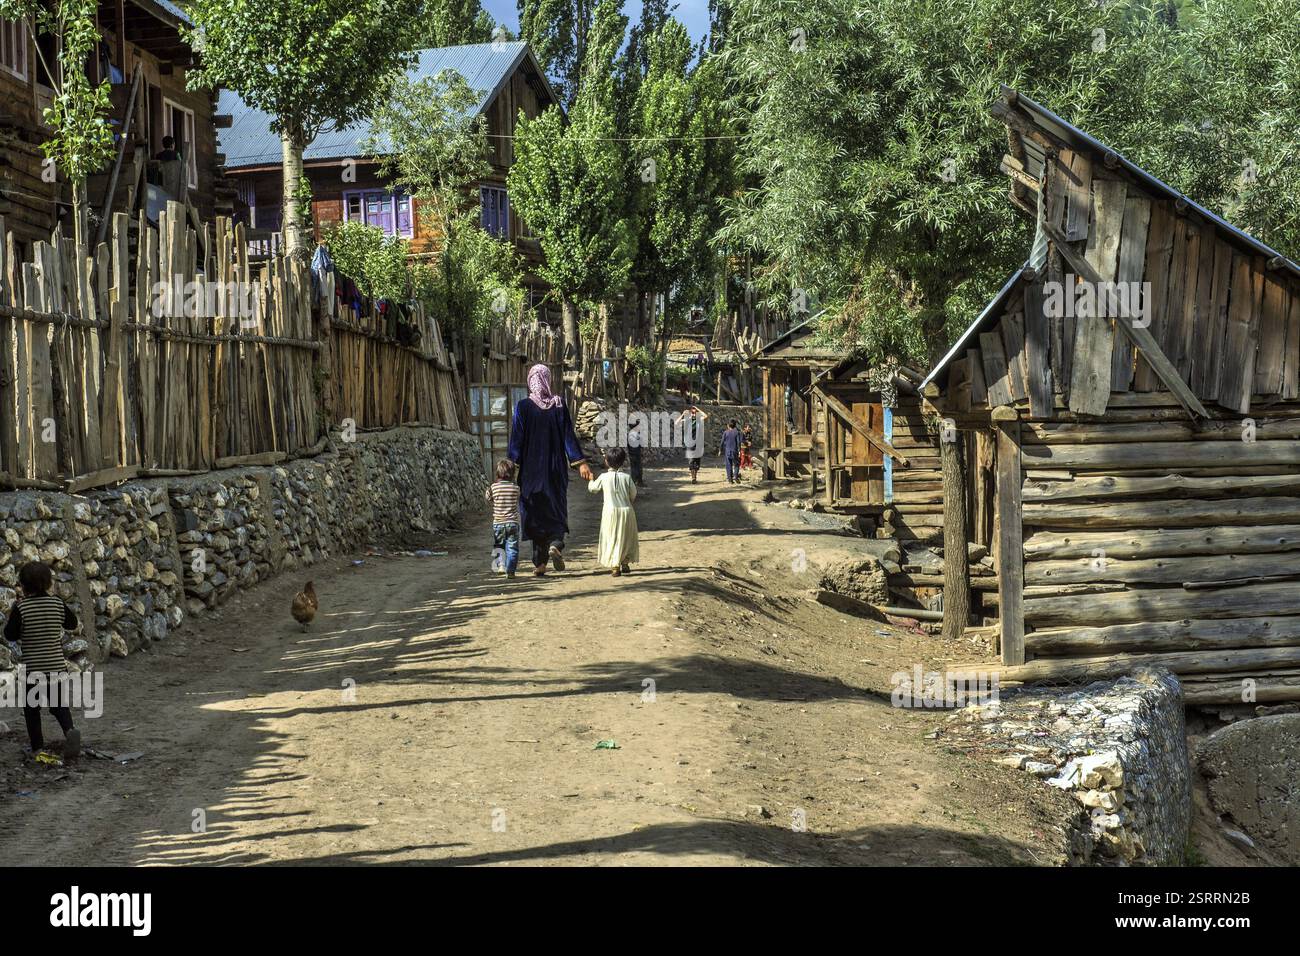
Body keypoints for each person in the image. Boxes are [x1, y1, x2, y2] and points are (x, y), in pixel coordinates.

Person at [506, 364, 592, 576]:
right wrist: (580, 462)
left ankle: (540, 563)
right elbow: (568, 437)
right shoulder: (559, 405)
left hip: (530, 473)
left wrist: (510, 467)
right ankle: (556, 544)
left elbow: (516, 440)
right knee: (556, 508)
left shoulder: (523, 407)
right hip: (554, 470)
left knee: (534, 513)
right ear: (548, 380)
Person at [5, 562, 81, 760]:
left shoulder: (22, 608)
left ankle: (38, 747)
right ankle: (69, 730)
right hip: (56, 666)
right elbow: (72, 623)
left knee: (32, 709)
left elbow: (10, 635)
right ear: (48, 583)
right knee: (58, 704)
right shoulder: (56, 603)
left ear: (23, 585)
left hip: (33, 670)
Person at [589, 448, 639, 577]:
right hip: (627, 512)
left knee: (612, 538)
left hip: (610, 512)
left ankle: (615, 566)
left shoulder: (604, 477)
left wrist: (590, 479)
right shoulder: (627, 477)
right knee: (626, 538)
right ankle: (625, 563)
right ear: (623, 462)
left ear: (606, 462)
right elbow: (633, 494)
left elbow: (593, 489)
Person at [485, 459, 521, 579]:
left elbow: (488, 498)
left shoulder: (493, 487)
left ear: (498, 473)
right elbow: (518, 499)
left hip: (498, 522)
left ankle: (501, 566)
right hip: (512, 522)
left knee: (499, 545)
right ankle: (511, 570)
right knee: (512, 547)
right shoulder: (516, 488)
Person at [681, 406, 708, 483]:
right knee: (691, 461)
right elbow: (677, 422)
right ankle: (693, 478)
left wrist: (698, 409)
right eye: (692, 413)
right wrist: (683, 414)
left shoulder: (699, 420)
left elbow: (705, 416)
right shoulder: (687, 420)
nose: (694, 414)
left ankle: (695, 476)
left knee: (697, 461)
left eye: (695, 413)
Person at [721, 419, 743, 484]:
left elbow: (722, 441)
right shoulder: (737, 432)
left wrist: (720, 449)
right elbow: (738, 442)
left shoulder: (725, 432)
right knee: (736, 464)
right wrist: (739, 450)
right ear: (735, 425)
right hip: (735, 451)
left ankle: (730, 480)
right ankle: (736, 476)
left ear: (728, 425)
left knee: (728, 465)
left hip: (727, 451)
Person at [627, 417, 645, 487]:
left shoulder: (630, 434)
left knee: (633, 467)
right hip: (637, 453)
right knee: (639, 467)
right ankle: (639, 481)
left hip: (631, 453)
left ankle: (633, 481)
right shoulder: (638, 434)